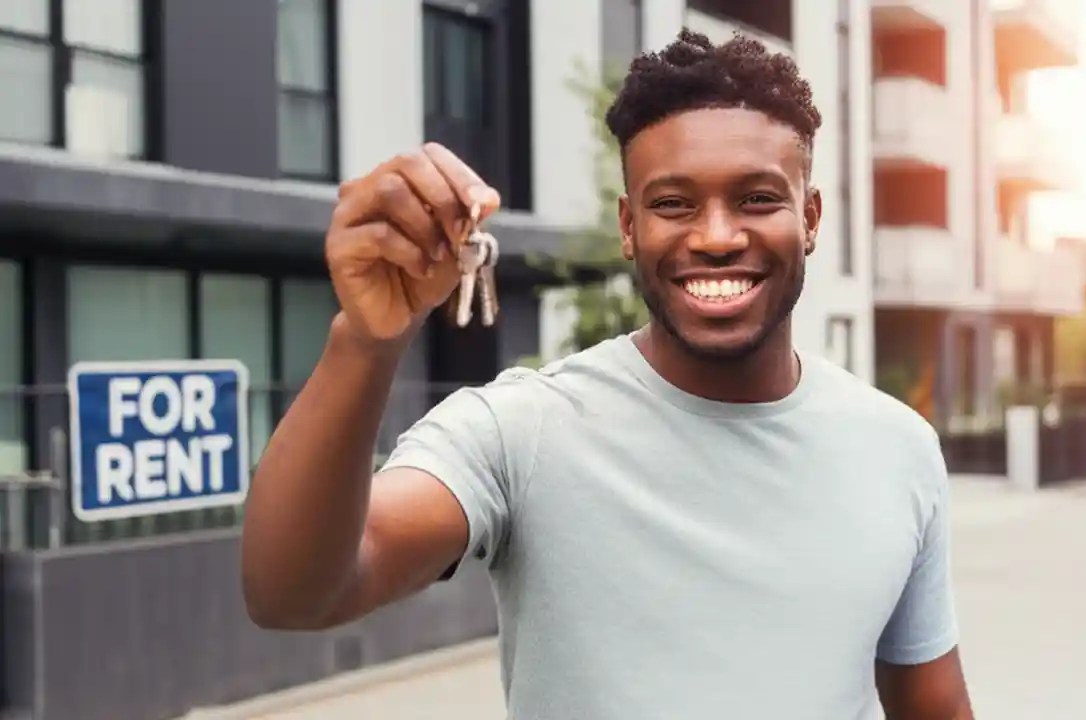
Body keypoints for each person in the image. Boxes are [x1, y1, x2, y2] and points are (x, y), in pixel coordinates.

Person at [241, 29, 974, 720]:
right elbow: (294, 594)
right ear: (630, 227)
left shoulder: (898, 448)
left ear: (809, 217)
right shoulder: (522, 431)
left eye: (756, 198)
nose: (716, 236)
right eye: (673, 204)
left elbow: (934, 707)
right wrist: (364, 343)